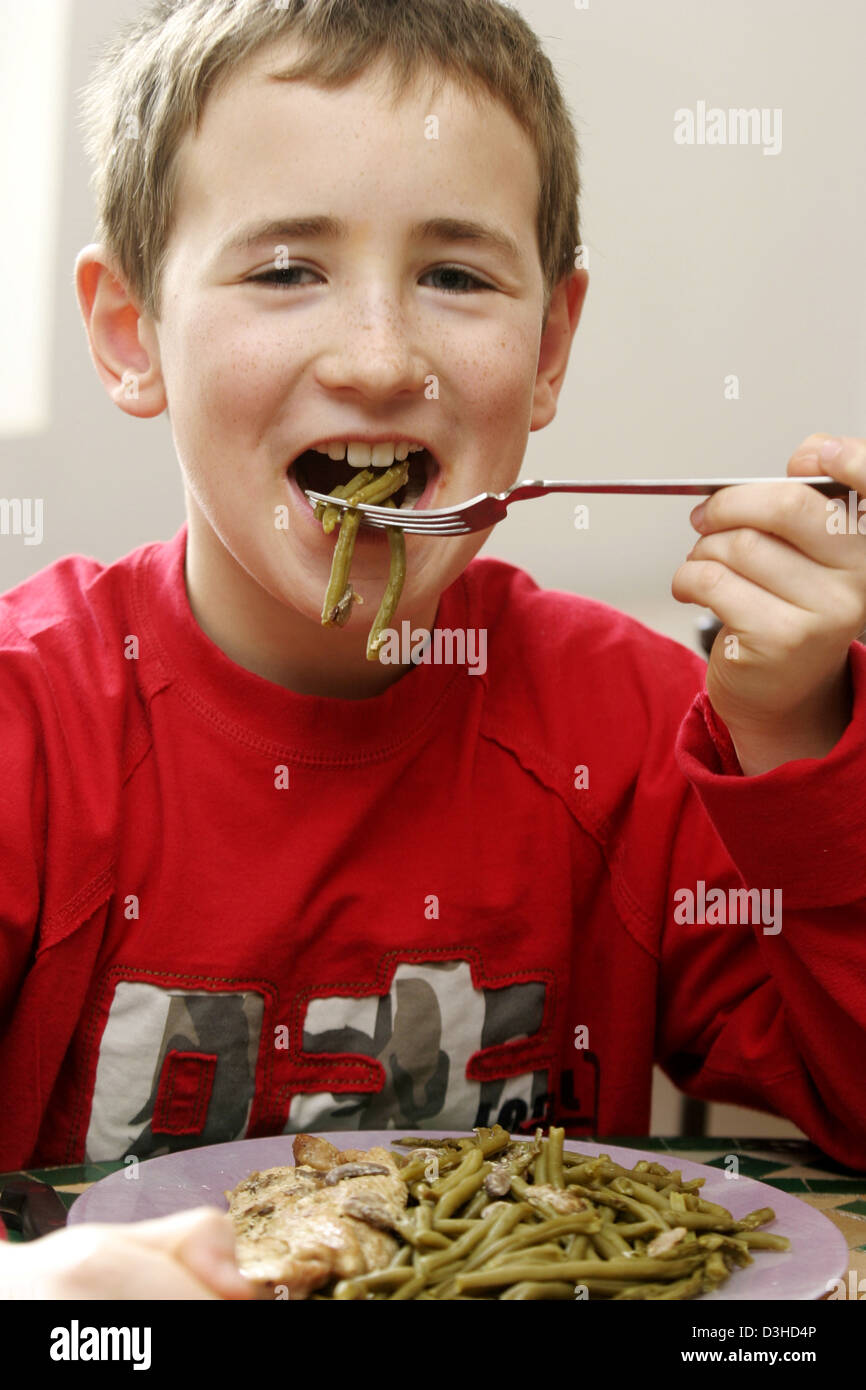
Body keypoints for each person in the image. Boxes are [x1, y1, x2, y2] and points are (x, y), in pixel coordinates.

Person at [1, 0, 865, 1299]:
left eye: (453, 275)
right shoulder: (28, 726)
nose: (379, 357)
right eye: (286, 268)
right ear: (132, 331)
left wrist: (802, 733)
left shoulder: (626, 724)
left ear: (548, 350)